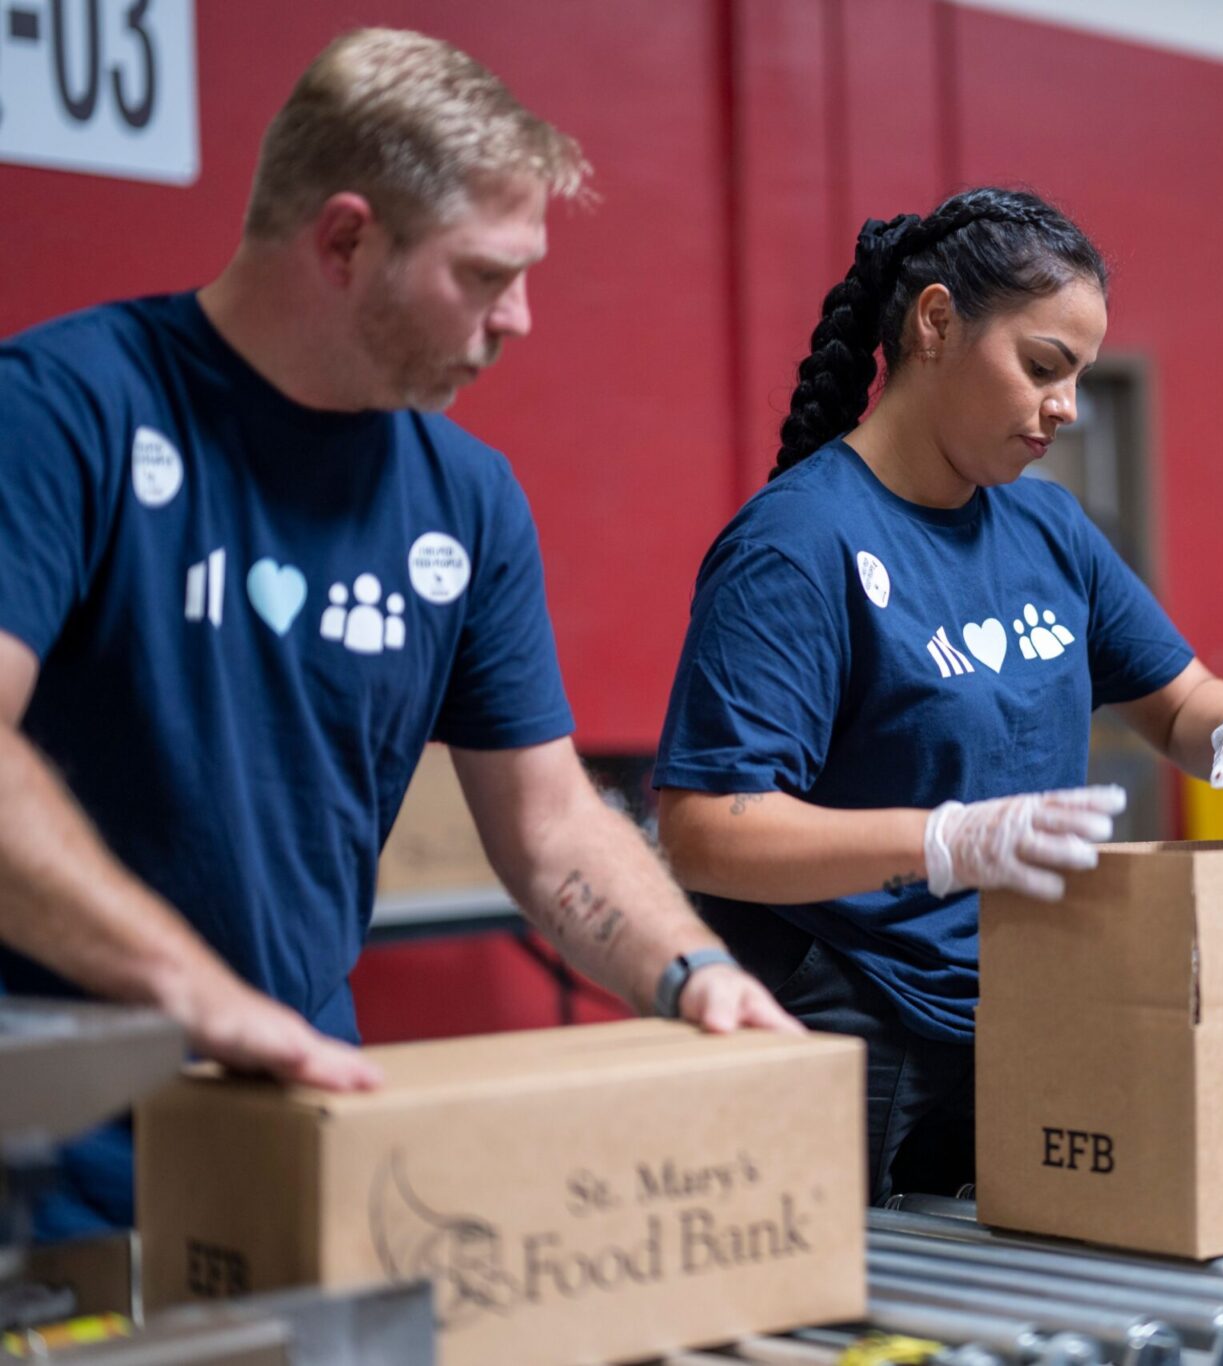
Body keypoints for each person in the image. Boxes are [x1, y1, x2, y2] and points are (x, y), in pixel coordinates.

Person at [0, 28, 793, 1238]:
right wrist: (194, 993)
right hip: (45, 1163)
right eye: (484, 275)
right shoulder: (65, 413)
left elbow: (549, 821)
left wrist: (691, 971)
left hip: (297, 1121)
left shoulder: (465, 500)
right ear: (345, 239)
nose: (518, 318)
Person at [655, 188, 1223, 1201]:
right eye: (1042, 367)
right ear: (934, 325)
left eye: (1079, 378)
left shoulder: (1048, 532)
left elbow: (1176, 695)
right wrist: (940, 841)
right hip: (850, 1019)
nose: (1065, 408)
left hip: (1030, 1012)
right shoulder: (797, 546)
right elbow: (708, 828)